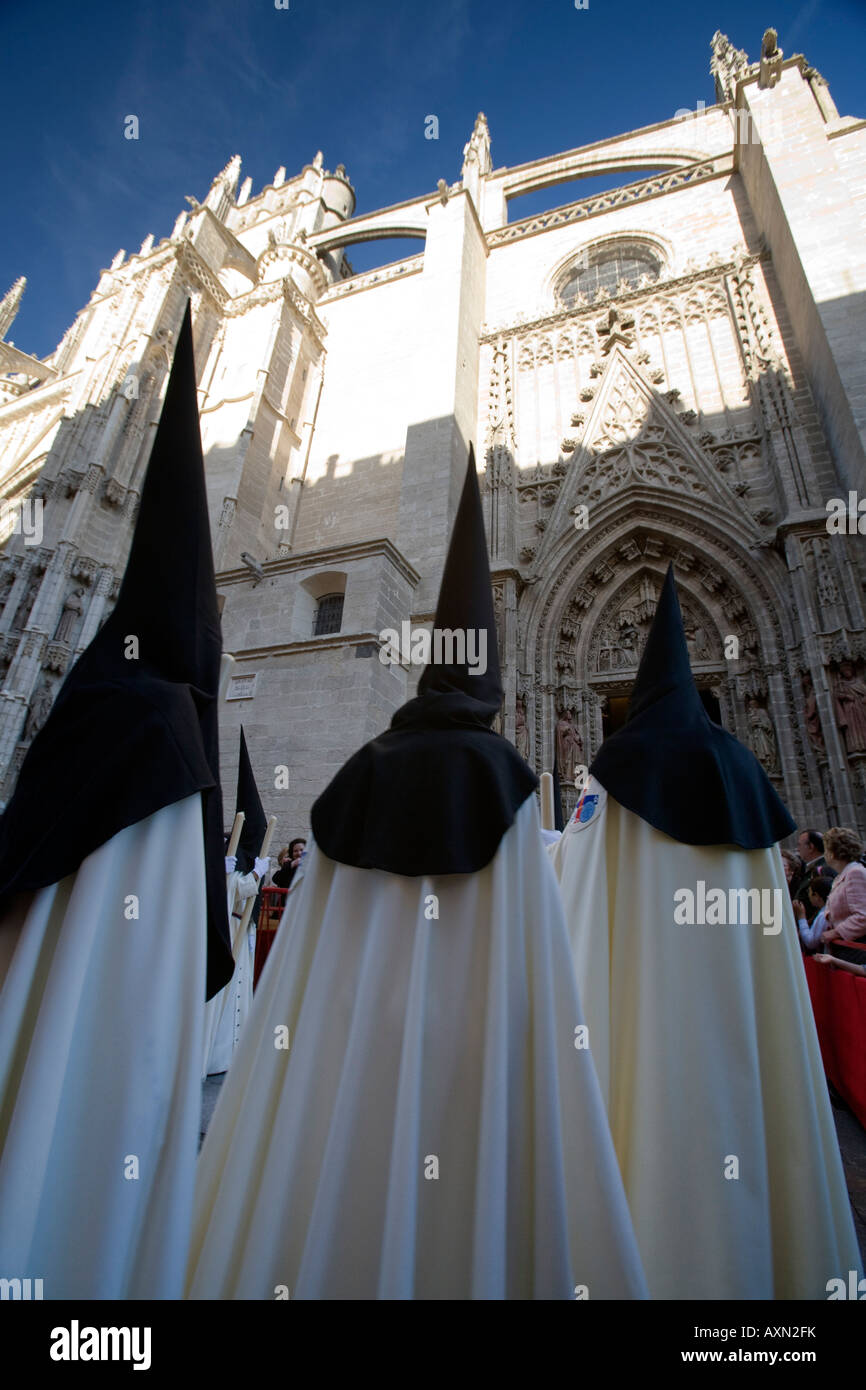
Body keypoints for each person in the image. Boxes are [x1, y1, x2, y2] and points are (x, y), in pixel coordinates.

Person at [186, 448, 647, 1300]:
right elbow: (542, 969)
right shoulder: (508, 787)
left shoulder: (359, 775)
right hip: (475, 1075)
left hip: (347, 1078)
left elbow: (306, 982)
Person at [548, 564, 862, 1299]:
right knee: (745, 1111)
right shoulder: (742, 765)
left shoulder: (613, 768)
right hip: (734, 1010)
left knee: (636, 1106)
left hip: (634, 1002)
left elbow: (578, 890)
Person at [821, 827, 866, 964]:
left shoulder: (855, 873)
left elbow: (863, 916)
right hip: (847, 948)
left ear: (832, 853)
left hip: (857, 949)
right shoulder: (843, 875)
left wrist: (835, 933)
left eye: (826, 849)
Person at [791, 829, 834, 919]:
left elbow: (824, 903)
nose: (798, 849)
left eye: (799, 845)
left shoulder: (822, 869)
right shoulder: (811, 868)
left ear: (811, 847)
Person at [793, 876, 832, 953]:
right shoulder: (828, 910)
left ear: (816, 896)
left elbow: (810, 942)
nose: (808, 895)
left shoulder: (823, 915)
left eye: (809, 892)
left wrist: (801, 917)